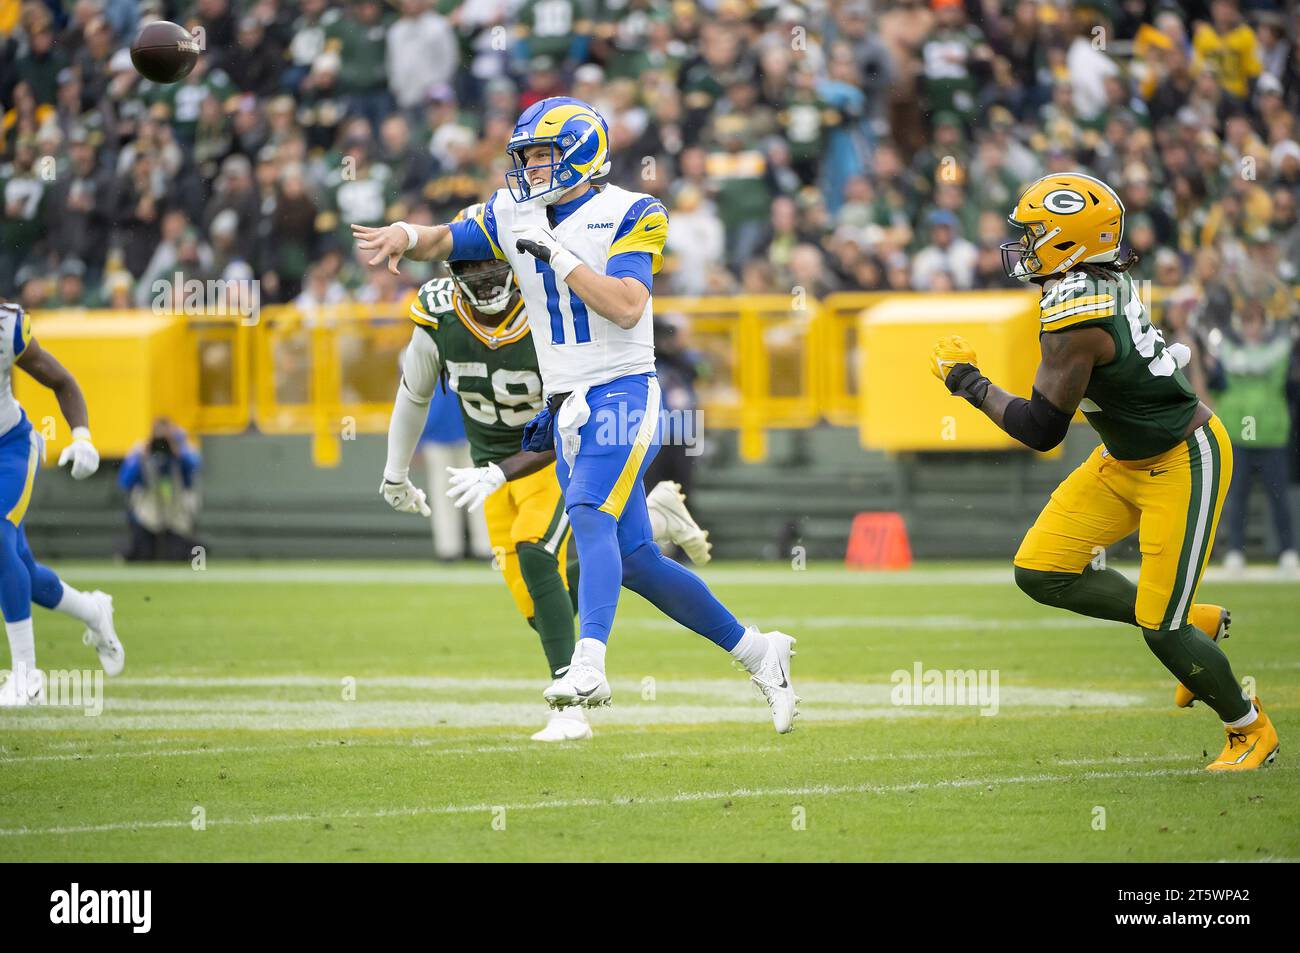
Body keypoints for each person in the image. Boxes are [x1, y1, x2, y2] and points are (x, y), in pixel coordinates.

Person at [356, 97, 799, 733]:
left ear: (581, 154)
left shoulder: (634, 210)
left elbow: (625, 306)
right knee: (638, 558)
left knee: (588, 509)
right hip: (565, 404)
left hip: (623, 389)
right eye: (526, 158)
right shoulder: (513, 212)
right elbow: (445, 239)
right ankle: (760, 651)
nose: (531, 170)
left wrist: (557, 255)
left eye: (542, 156)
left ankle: (587, 663)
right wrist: (406, 235)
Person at [930, 172, 1278, 771]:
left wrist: (969, 383)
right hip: (1124, 456)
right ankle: (1192, 618)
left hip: (1181, 459)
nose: (1024, 245)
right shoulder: (1093, 279)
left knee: (1161, 632)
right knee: (1042, 570)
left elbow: (1042, 429)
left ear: (1069, 241)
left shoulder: (1076, 309)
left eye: (1036, 233)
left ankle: (1248, 728)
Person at [380, 202, 714, 741]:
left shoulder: (547, 314)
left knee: (537, 550)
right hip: (490, 470)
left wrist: (505, 469)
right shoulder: (438, 313)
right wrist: (396, 471)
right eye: (472, 267)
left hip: (553, 455)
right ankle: (649, 522)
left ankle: (569, 707)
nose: (485, 279)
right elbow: (414, 390)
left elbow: (573, 402)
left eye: (494, 265)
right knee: (538, 595)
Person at [0, 301, 123, 706]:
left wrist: (82, 436)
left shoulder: (6, 327)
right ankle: (93, 611)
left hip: (8, 448)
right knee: (23, 571)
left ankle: (26, 676)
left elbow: (62, 381)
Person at [1210, 301, 1297, 575]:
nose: (1251, 327)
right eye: (1247, 321)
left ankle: (1288, 552)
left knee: (1279, 499)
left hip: (1271, 435)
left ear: (1264, 324)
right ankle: (1235, 551)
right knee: (1236, 498)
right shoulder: (1228, 353)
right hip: (1237, 434)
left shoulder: (1278, 353)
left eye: (1255, 321)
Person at [118, 418, 202, 562]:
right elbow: (125, 482)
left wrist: (178, 451)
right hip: (148, 515)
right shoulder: (141, 450)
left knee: (176, 557)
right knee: (143, 556)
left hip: (176, 515)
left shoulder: (183, 449)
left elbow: (195, 467)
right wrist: (141, 456)